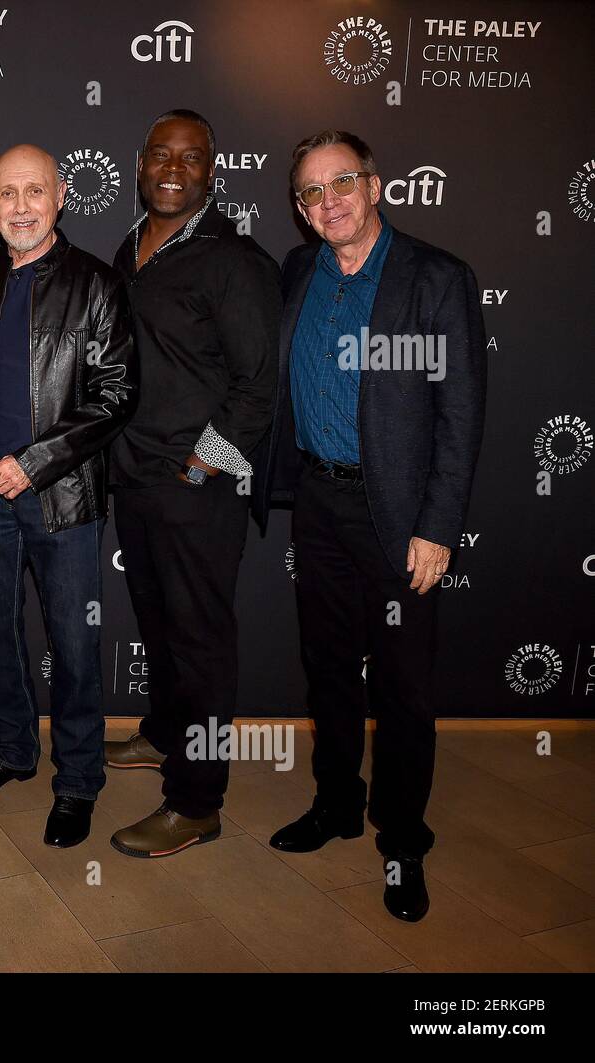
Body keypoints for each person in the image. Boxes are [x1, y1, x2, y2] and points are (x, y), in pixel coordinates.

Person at [252, 130, 487, 922]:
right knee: (327, 670)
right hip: (317, 503)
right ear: (300, 209)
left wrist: (438, 524)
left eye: (342, 181)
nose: (330, 200)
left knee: (403, 687)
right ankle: (336, 803)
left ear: (376, 186)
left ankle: (403, 841)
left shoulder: (435, 278)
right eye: (312, 192)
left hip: (399, 515)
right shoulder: (299, 272)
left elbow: (459, 415)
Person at [0, 144, 137, 848]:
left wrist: (37, 461)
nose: (21, 206)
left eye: (35, 191)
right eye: (7, 194)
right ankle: (14, 752)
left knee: (75, 646)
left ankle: (79, 780)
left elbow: (117, 394)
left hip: (64, 497)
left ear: (60, 196)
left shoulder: (96, 285)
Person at [104, 110, 280, 859]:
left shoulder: (233, 259)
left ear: (211, 170)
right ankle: (165, 735)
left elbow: (259, 384)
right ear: (141, 164)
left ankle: (197, 800)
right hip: (135, 477)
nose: (173, 168)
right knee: (159, 624)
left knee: (202, 643)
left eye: (192, 157)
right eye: (161, 155)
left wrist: (202, 465)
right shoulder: (131, 246)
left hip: (197, 485)